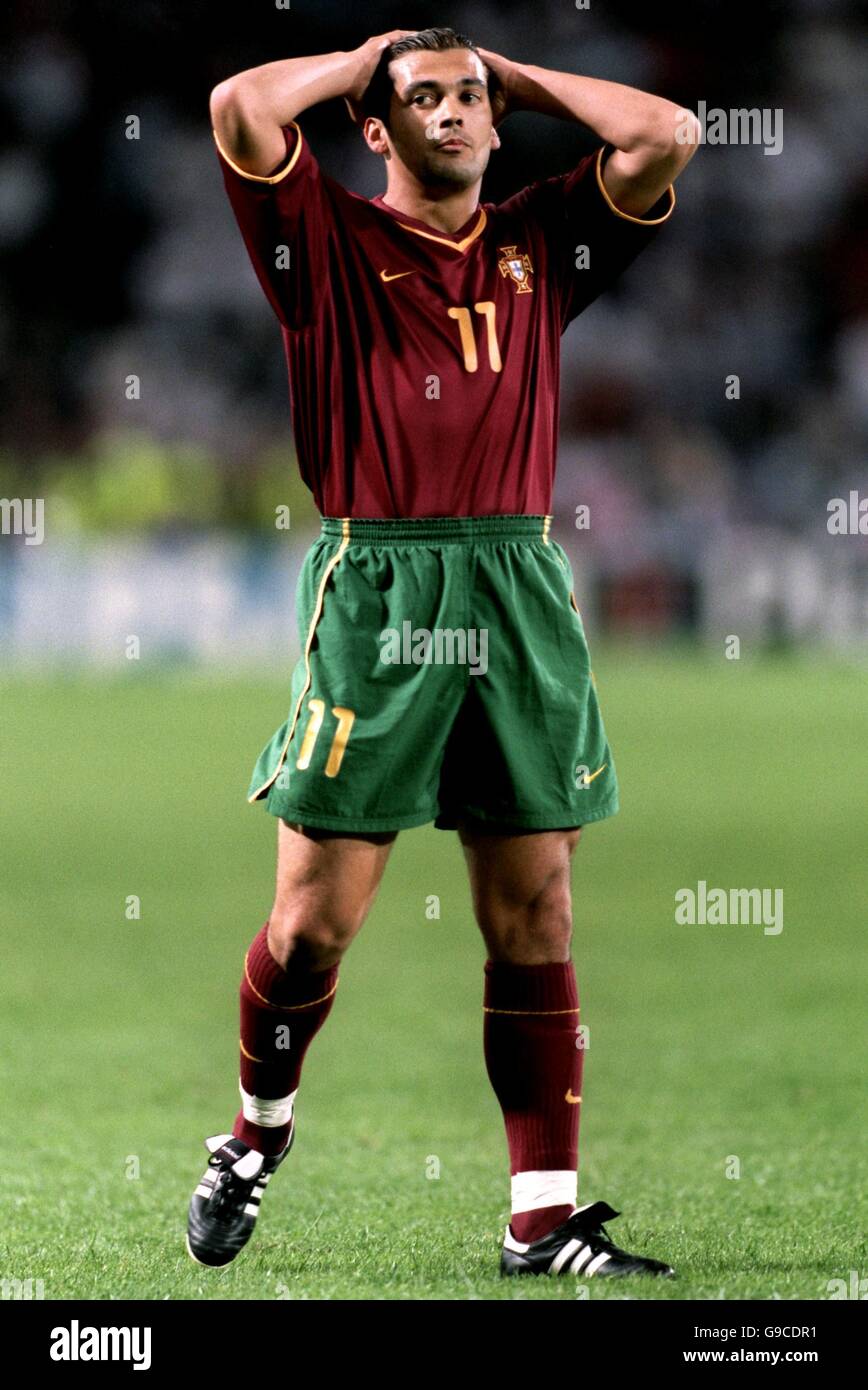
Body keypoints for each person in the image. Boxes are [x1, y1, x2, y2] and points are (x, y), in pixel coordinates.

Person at [187, 26, 699, 1279]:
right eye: (427, 100)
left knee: (537, 907)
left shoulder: (540, 242)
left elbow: (667, 133)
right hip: (378, 588)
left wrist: (513, 78)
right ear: (376, 127)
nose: (458, 115)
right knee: (314, 925)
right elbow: (239, 106)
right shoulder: (326, 242)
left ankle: (541, 1216)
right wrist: (367, 54)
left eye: (471, 99)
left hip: (517, 583)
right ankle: (256, 1135)